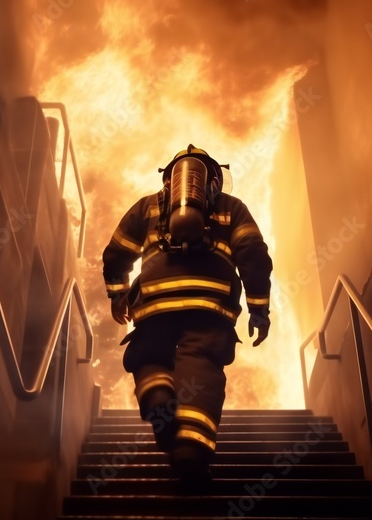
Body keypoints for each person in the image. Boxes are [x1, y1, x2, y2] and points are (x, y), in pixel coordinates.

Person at [102, 145, 273, 486]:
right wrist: (259, 309)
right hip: (210, 308)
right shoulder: (231, 207)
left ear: (168, 177)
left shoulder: (148, 205)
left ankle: (158, 399)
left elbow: (117, 252)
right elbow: (253, 254)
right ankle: (191, 453)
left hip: (155, 305)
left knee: (149, 357)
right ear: (214, 179)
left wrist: (118, 293)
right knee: (202, 367)